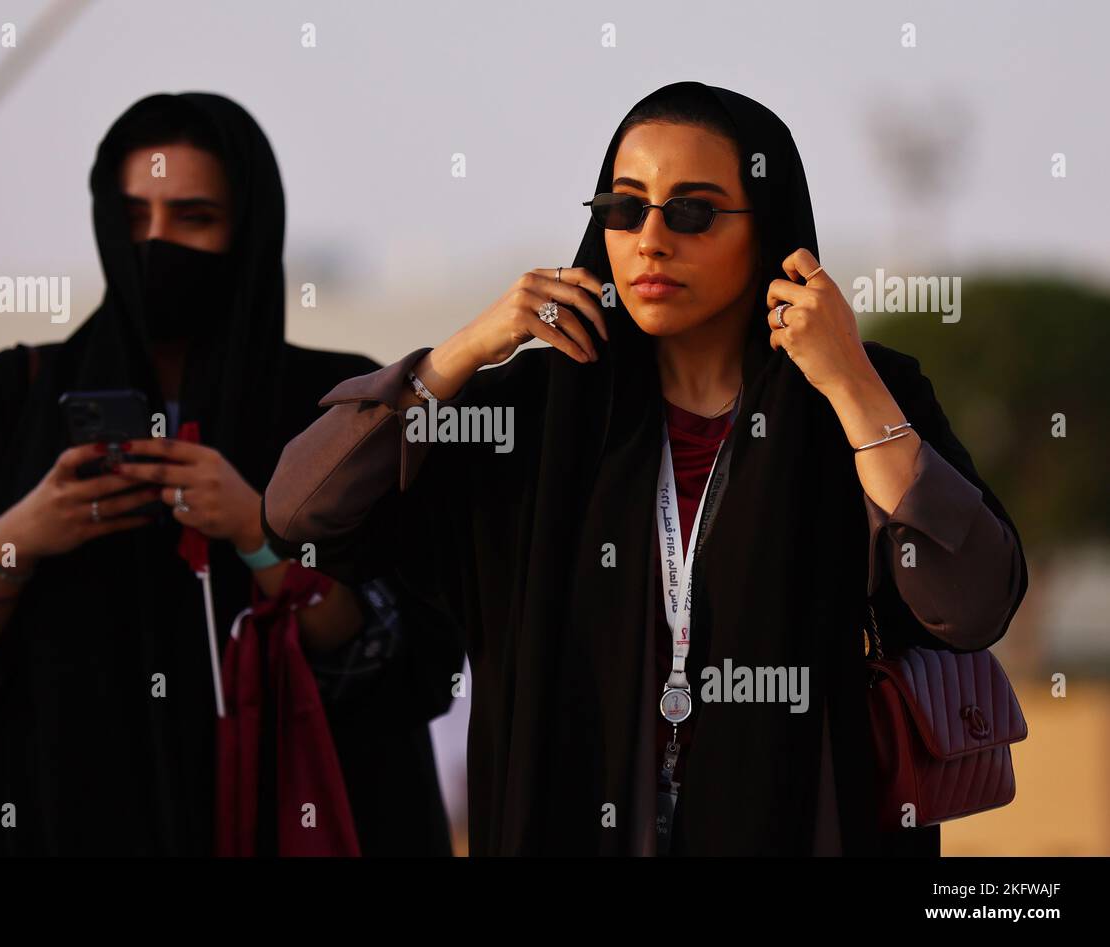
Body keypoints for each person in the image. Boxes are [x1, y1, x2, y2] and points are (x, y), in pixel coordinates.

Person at [261, 81, 1028, 856]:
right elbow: (299, 511)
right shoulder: (534, 409)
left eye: (693, 211)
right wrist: (457, 354)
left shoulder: (857, 397)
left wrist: (852, 384)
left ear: (768, 229)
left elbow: (971, 604)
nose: (651, 240)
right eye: (625, 209)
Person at [0, 92, 462, 856]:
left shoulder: (336, 408)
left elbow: (410, 668)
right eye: (133, 217)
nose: (156, 243)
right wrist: (18, 538)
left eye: (192, 218)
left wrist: (261, 531)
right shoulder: (12, 401)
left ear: (247, 228)